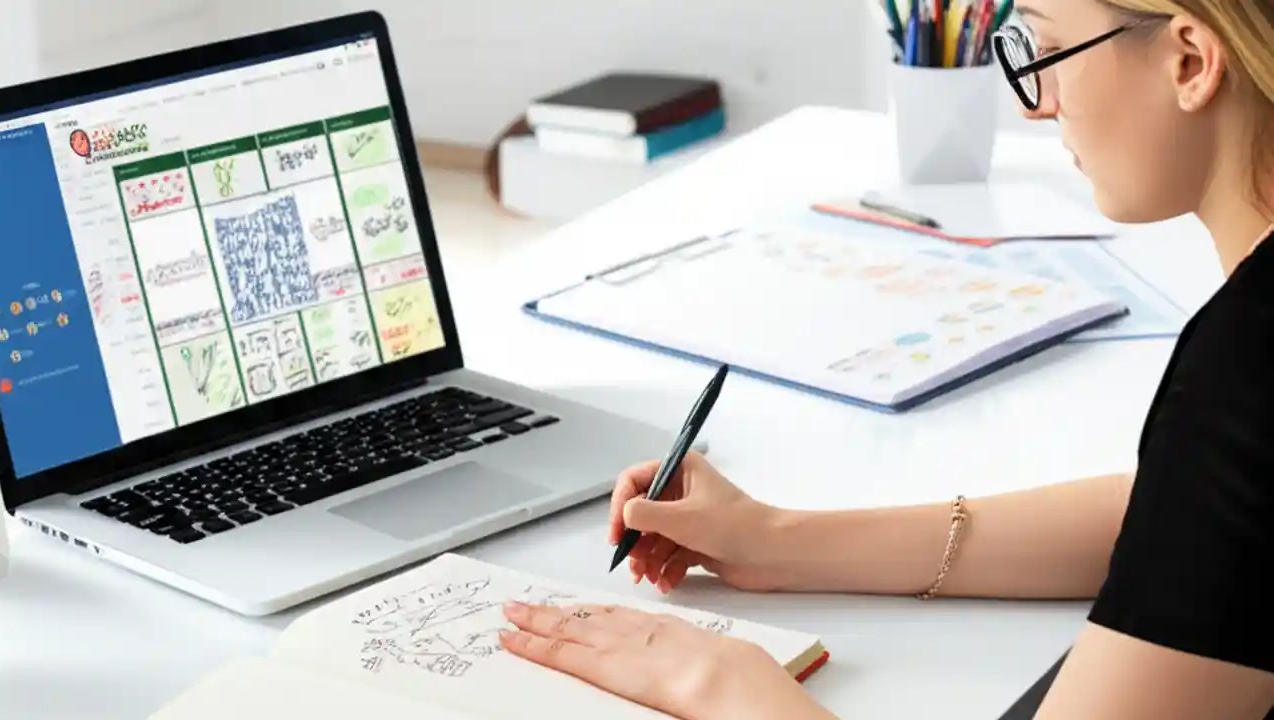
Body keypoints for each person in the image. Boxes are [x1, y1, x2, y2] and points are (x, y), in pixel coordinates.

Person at [496, 0, 1274, 717]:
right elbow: (1186, 519)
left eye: (1048, 48)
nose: (1036, 103)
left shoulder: (1248, 359)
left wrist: (726, 686)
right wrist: (779, 540)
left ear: (1191, 63)